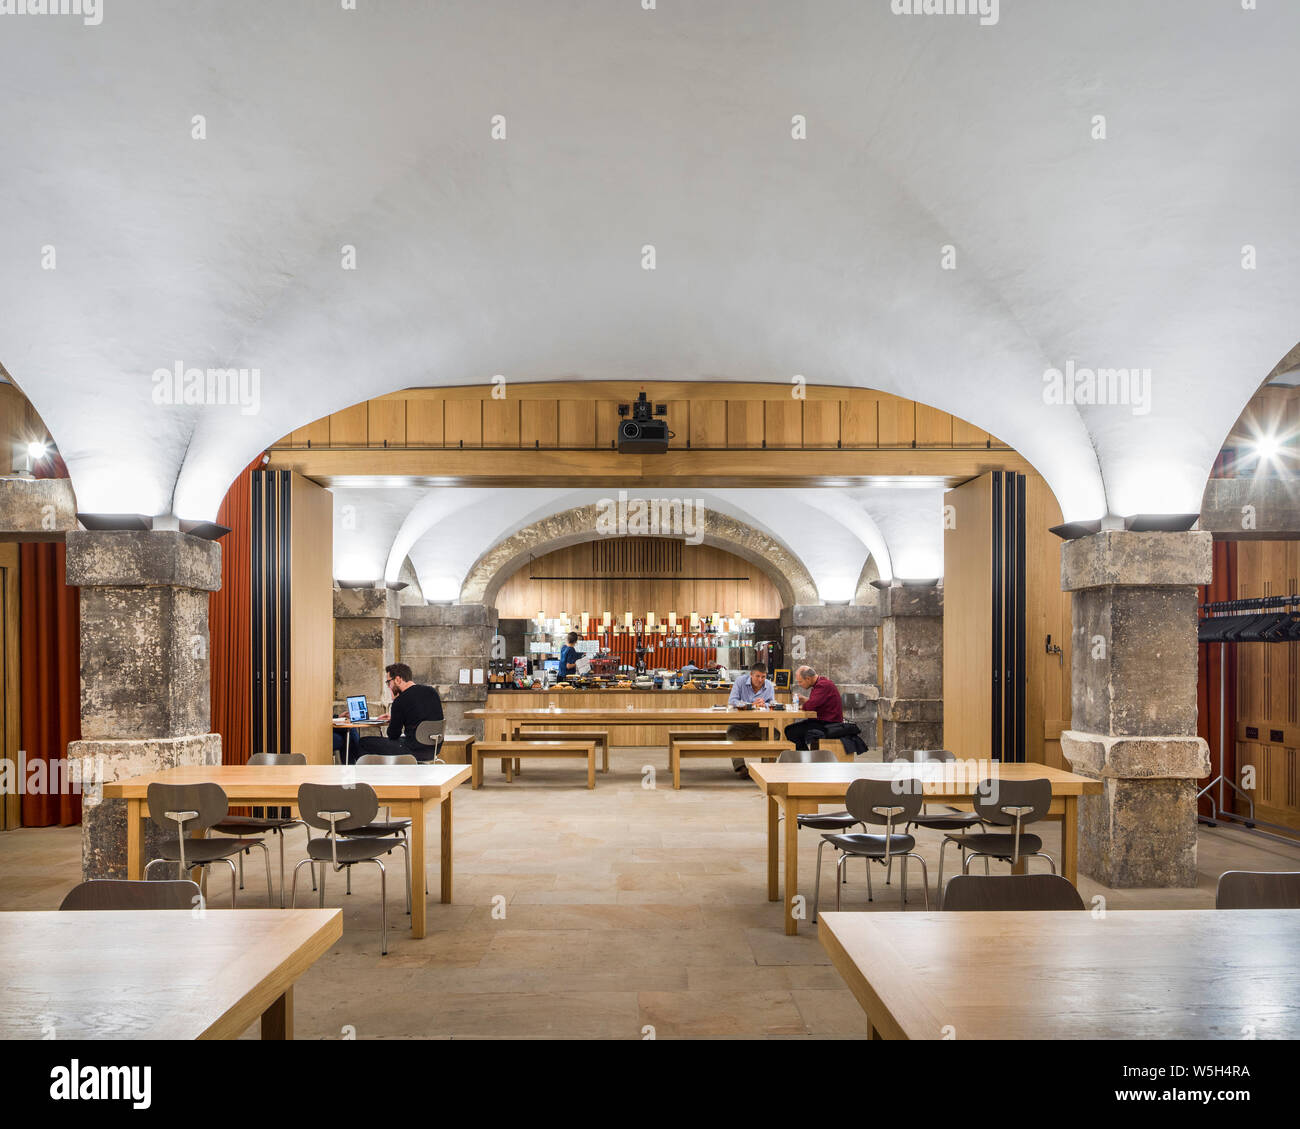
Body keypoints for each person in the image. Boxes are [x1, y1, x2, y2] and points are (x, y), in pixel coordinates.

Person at [355, 663, 445, 762]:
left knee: (363, 742)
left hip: (413, 751)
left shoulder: (400, 700)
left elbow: (393, 735)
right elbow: (421, 715)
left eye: (389, 682)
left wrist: (395, 705)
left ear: (398, 679)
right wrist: (396, 717)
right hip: (434, 748)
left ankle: (368, 776)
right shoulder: (431, 692)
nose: (389, 687)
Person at [727, 663, 774, 775]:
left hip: (760, 724)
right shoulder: (740, 681)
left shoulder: (769, 685)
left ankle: (765, 768)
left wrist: (765, 705)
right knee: (731, 733)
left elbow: (772, 703)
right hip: (740, 723)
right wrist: (751, 705)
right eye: (757, 676)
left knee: (775, 735)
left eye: (763, 677)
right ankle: (740, 768)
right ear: (751, 675)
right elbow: (732, 701)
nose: (760, 679)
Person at [784, 664, 842, 751]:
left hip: (829, 724)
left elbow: (811, 706)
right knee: (792, 729)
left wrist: (802, 706)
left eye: (800, 682)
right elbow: (818, 702)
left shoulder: (823, 685)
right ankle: (807, 757)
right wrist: (805, 700)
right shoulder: (821, 683)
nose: (799, 684)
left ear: (808, 678)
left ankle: (806, 760)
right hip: (824, 721)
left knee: (791, 731)